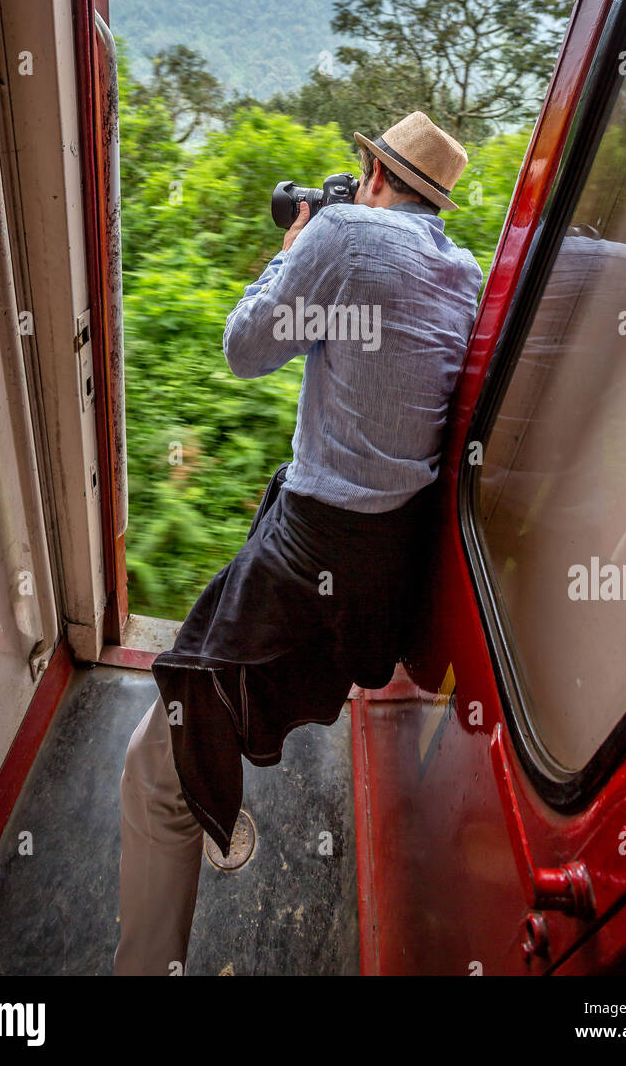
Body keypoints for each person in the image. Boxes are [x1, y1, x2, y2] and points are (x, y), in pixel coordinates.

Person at [114, 111, 483, 975]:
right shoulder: (461, 272)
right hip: (383, 576)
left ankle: (182, 826)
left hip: (308, 555)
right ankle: (210, 788)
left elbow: (244, 350)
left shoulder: (345, 232)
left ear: (373, 175)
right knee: (228, 703)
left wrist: (299, 243)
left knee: (154, 763)